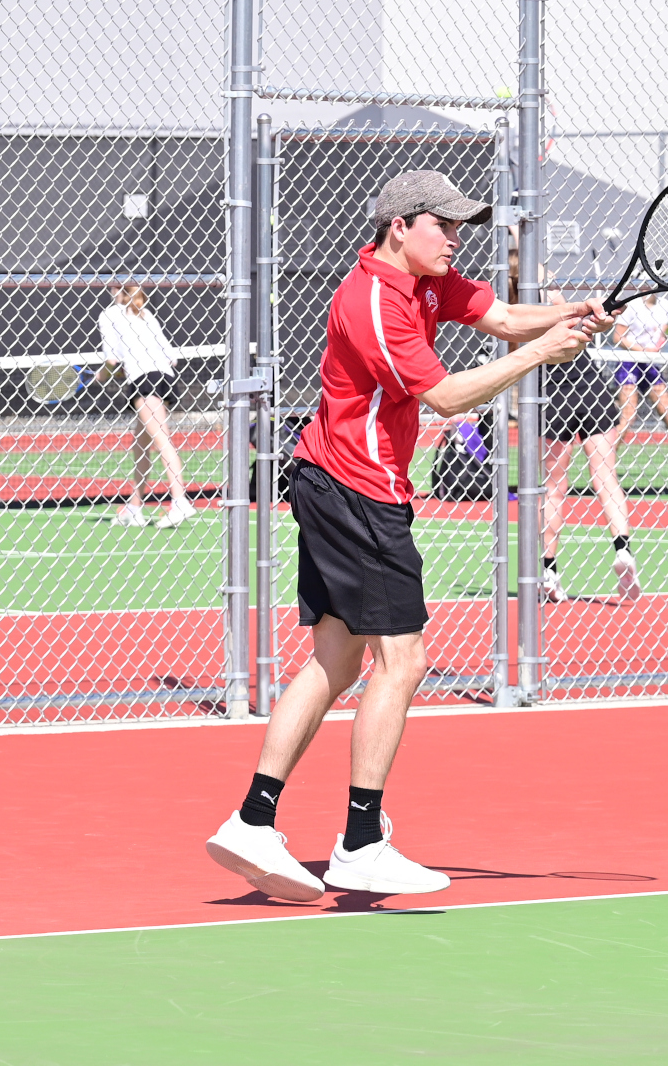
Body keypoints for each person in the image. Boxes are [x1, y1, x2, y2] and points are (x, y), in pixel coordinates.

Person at [204, 171, 611, 901]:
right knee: (405, 661)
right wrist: (543, 352)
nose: (457, 239)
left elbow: (499, 316)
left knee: (336, 658)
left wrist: (566, 312)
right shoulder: (373, 302)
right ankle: (361, 842)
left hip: (336, 484)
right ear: (400, 227)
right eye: (444, 226)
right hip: (358, 491)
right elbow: (448, 396)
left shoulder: (429, 283)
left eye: (462, 227)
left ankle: (252, 821)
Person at [534, 265, 643, 605]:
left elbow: (538, 278)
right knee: (606, 476)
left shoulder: (513, 313)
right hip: (589, 386)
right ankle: (623, 550)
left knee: (554, 486)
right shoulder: (556, 305)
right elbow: (546, 279)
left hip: (553, 394)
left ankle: (549, 570)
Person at [91, 285, 196, 528]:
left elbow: (111, 360)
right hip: (165, 379)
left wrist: (102, 375)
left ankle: (180, 501)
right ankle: (135, 506)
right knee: (141, 443)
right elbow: (172, 357)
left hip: (144, 381)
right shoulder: (145, 313)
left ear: (115, 289)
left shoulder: (109, 315)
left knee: (161, 440)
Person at [611, 292, 668, 480]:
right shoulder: (631, 305)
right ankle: (605, 461)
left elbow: (662, 333)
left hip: (651, 364)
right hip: (629, 362)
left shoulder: (664, 304)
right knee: (628, 417)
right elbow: (618, 337)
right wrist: (643, 350)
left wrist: (659, 341)